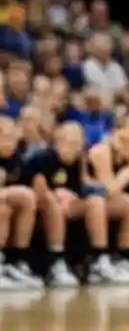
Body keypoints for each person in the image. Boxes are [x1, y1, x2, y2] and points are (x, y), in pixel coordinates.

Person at [84, 111, 129, 282]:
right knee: (100, 203)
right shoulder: (103, 150)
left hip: (106, 200)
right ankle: (98, 261)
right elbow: (109, 190)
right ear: (121, 130)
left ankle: (121, 258)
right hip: (84, 199)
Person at [27, 121, 98, 287]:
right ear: (58, 140)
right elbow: (39, 191)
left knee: (95, 203)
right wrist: (57, 195)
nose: (76, 147)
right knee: (53, 204)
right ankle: (56, 262)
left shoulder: (78, 162)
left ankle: (98, 261)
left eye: (79, 143)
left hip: (67, 207)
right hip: (41, 207)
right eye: (72, 142)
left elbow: (82, 189)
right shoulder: (43, 158)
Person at [0, 116, 42, 288]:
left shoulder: (16, 159)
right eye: (5, 137)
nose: (10, 142)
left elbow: (35, 182)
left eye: (13, 137)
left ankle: (16, 262)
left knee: (7, 209)